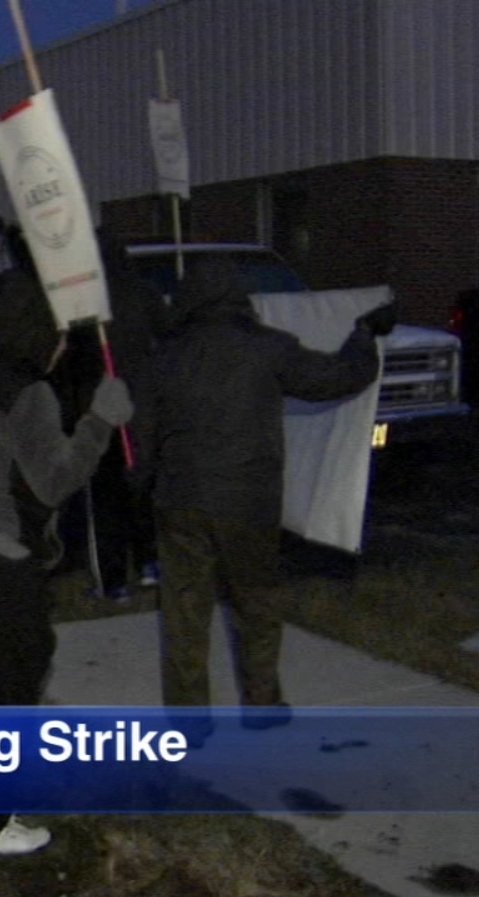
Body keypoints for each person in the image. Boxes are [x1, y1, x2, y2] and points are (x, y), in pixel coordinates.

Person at [136, 256, 392, 744]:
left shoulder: (164, 354)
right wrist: (363, 335)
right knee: (255, 603)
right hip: (247, 499)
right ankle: (261, 704)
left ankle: (189, 720)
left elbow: (142, 434)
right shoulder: (266, 346)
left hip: (180, 497)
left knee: (185, 612)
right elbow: (335, 378)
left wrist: (143, 491)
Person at [0, 269, 134, 858]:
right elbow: (55, 482)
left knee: (9, 670)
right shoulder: (29, 392)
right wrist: (100, 421)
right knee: (18, 681)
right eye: (58, 333)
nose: (64, 344)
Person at [53, 226, 177, 602]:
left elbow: (69, 359)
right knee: (141, 486)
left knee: (105, 497)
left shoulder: (81, 299)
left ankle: (113, 580)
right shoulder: (143, 291)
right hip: (141, 405)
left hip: (102, 406)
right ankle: (149, 562)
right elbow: (168, 338)